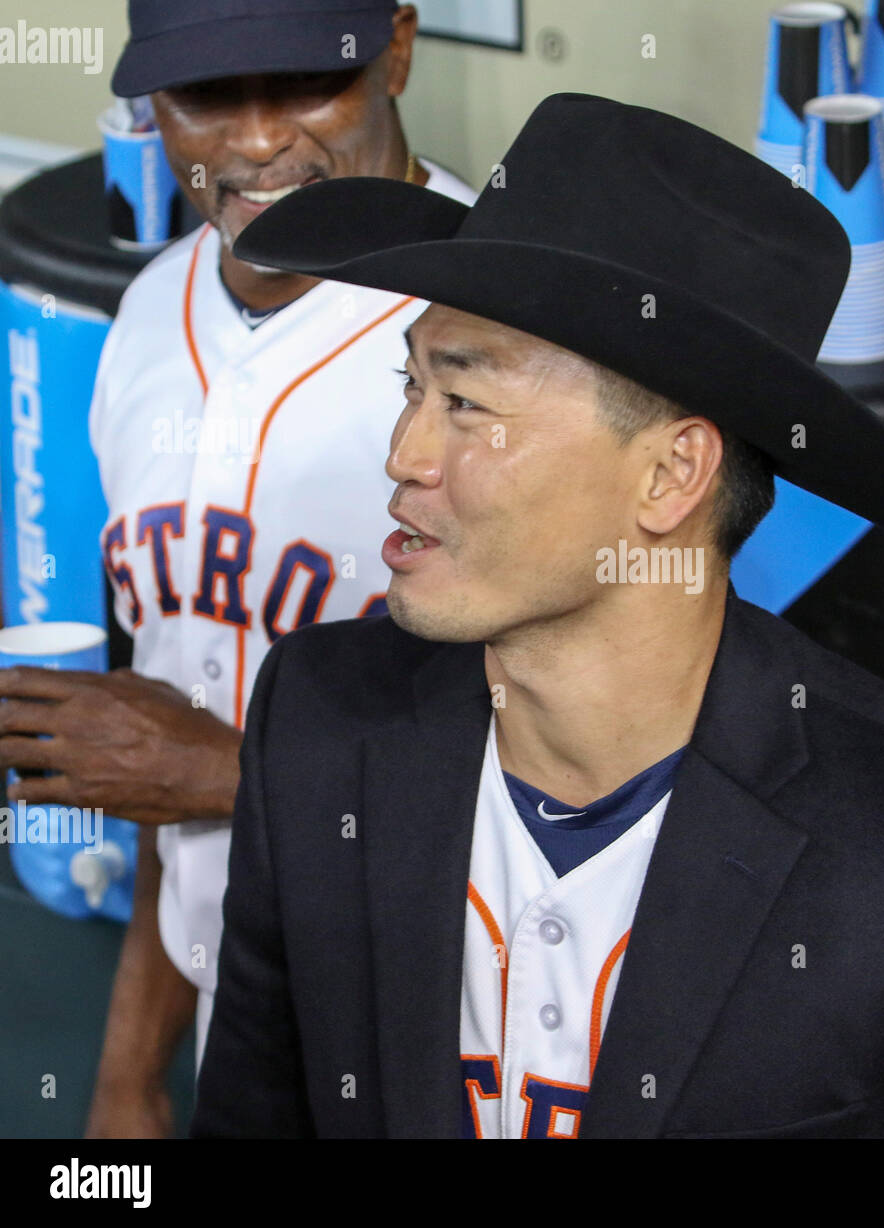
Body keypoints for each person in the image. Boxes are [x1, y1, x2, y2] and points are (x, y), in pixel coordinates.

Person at [190, 93, 884, 1139]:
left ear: (671, 474)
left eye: (465, 403)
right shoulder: (324, 720)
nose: (405, 455)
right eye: (411, 387)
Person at [0, 0, 474, 1139]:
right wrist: (127, 1077)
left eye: (308, 82)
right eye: (207, 95)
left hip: (460, 1035)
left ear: (396, 47)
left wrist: (223, 769)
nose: (258, 142)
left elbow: (591, 783)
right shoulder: (153, 314)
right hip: (235, 1015)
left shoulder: (506, 324)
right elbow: (171, 753)